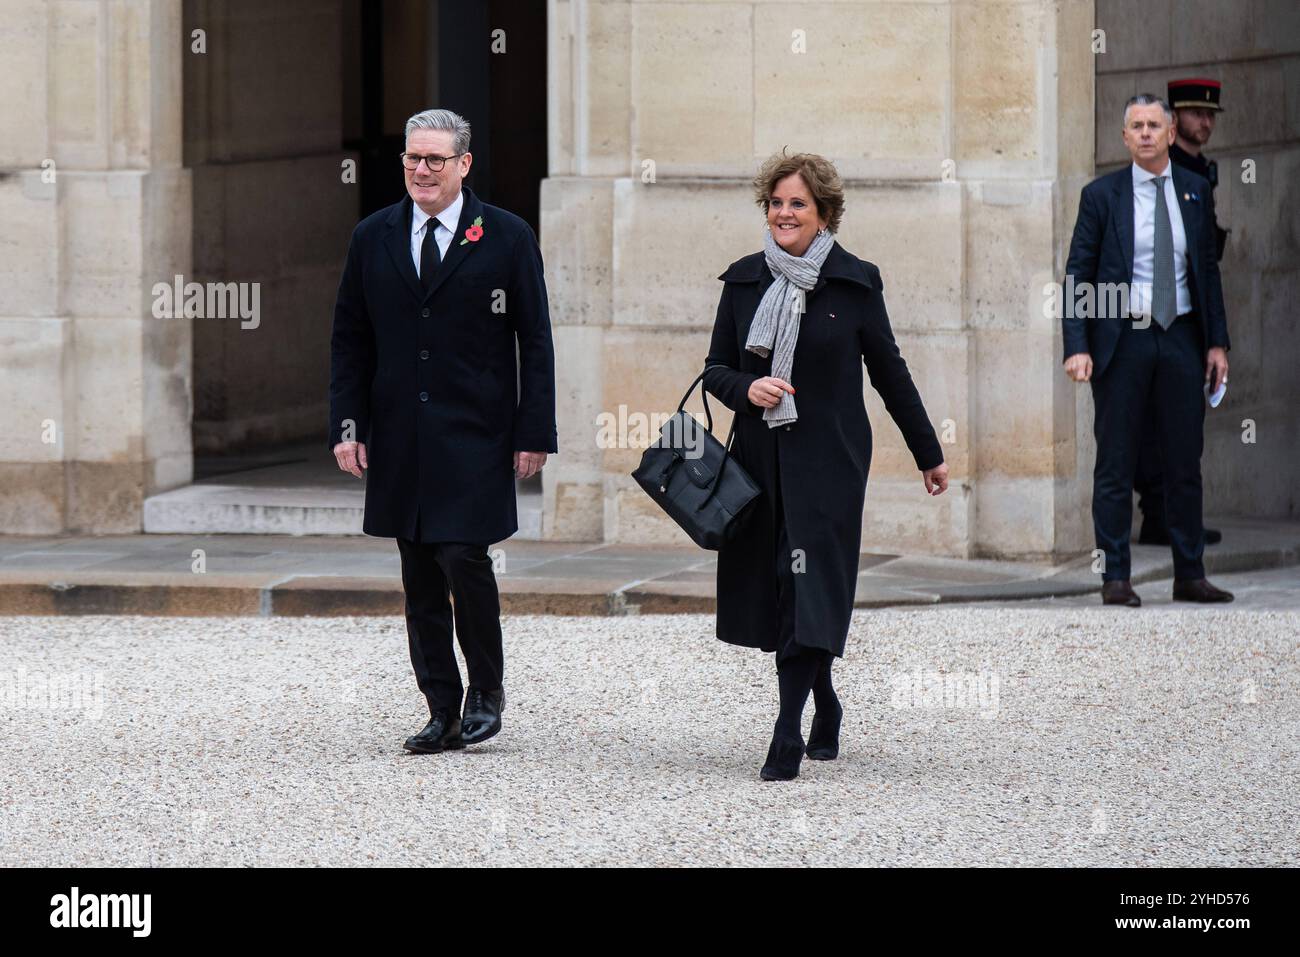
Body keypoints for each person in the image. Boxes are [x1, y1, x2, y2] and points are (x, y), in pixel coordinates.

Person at [703, 152, 949, 782]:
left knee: (813, 583)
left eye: (798, 205)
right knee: (781, 588)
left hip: (831, 463)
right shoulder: (743, 281)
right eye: (776, 203)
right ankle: (826, 702)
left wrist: (929, 453)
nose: (784, 214)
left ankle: (786, 731)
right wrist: (747, 390)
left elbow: (890, 374)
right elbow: (717, 369)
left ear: (825, 213)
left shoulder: (855, 282)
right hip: (759, 461)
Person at [329, 108, 557, 753]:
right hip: (400, 433)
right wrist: (348, 425)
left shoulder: (506, 236)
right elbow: (350, 339)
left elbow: (533, 340)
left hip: (476, 431)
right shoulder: (373, 236)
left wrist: (533, 429)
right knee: (419, 569)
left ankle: (486, 690)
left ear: (464, 165)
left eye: (434, 159)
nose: (421, 170)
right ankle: (441, 706)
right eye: (412, 158)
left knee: (464, 555)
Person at [1062, 94, 1233, 608]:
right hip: (1123, 337)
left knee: (1184, 459)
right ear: (1124, 136)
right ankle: (1116, 575)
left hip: (1181, 335)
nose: (1144, 134)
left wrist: (1218, 342)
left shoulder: (1195, 191)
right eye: (1135, 125)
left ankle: (1190, 573)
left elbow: (1206, 271)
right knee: (1115, 459)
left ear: (1169, 130)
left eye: (1153, 126)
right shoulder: (1101, 196)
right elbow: (1078, 275)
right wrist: (1077, 346)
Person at [1133, 78, 1229, 549]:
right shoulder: (1146, 180)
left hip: (1185, 319)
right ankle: (1159, 514)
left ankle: (1178, 519)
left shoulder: (1196, 178)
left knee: (1185, 427)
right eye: (1195, 114)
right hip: (1144, 322)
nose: (1205, 122)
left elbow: (1207, 263)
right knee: (1151, 424)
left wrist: (1217, 339)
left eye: (1210, 115)